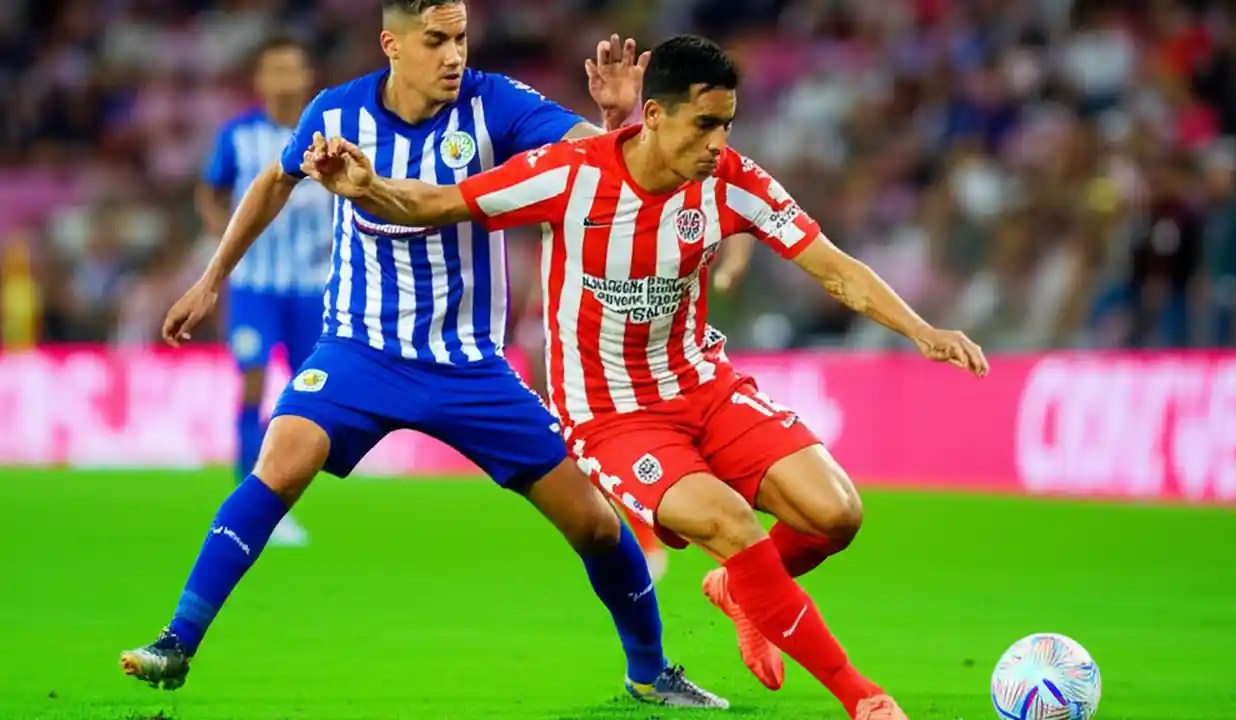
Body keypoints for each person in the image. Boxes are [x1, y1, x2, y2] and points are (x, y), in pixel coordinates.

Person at [300, 34, 989, 720]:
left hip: (703, 386)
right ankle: (862, 697)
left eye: (726, 124)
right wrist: (369, 188)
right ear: (654, 115)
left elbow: (834, 268)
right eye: (704, 124)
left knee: (837, 514)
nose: (717, 143)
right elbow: (437, 204)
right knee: (732, 524)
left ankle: (741, 591)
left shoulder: (731, 180)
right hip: (612, 414)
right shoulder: (570, 174)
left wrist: (922, 330)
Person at [120, 2, 726, 709]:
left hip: (469, 366)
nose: (454, 55)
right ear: (393, 44)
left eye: (460, 38)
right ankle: (177, 640)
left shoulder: (496, 104)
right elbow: (273, 181)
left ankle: (650, 672)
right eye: (436, 40)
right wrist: (211, 279)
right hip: (359, 351)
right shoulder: (336, 113)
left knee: (594, 522)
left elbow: (608, 165)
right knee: (278, 466)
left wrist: (620, 122)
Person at [198, 35, 330, 547]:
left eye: (292, 69)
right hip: (255, 285)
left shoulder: (330, 132)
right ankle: (246, 497)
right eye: (274, 70)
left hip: (313, 290)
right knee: (252, 382)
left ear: (307, 77)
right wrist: (223, 232)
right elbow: (210, 189)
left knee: (307, 396)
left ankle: (280, 499)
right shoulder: (239, 137)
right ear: (259, 80)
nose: (283, 80)